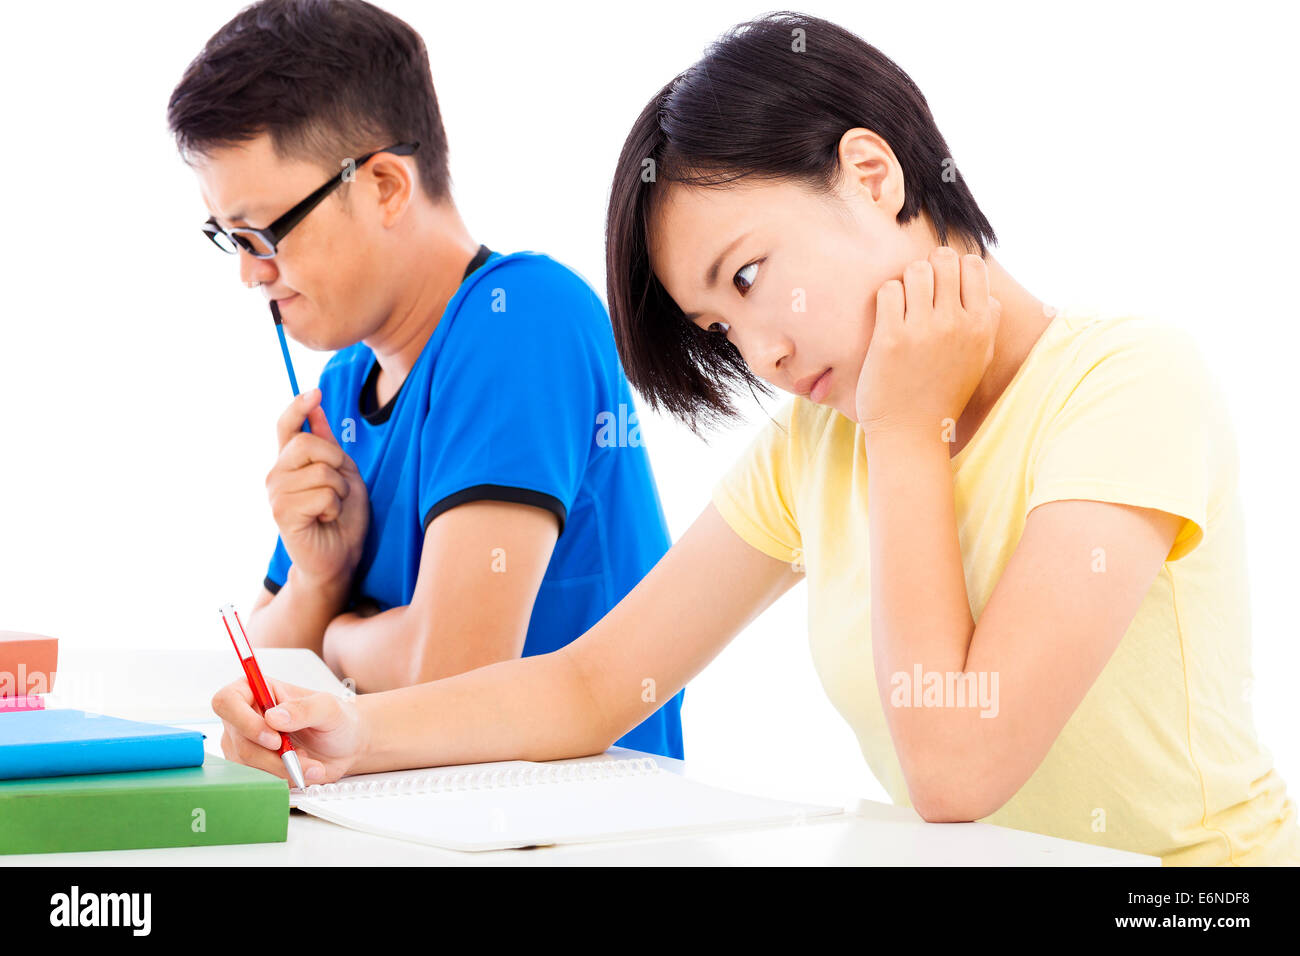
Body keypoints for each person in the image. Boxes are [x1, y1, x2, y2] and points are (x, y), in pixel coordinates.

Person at [212, 11, 1299, 864]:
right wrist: (354, 735)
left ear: (871, 176)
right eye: (719, 329)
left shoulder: (1127, 378)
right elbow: (597, 685)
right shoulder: (819, 441)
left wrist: (907, 428)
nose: (761, 355)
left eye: (746, 277)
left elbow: (959, 763)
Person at [174, 0, 683, 758]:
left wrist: (338, 639)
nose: (251, 274)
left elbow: (452, 673)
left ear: (384, 185)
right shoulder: (344, 385)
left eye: (263, 233)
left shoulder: (523, 321)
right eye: (230, 239)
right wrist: (320, 580)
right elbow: (255, 686)